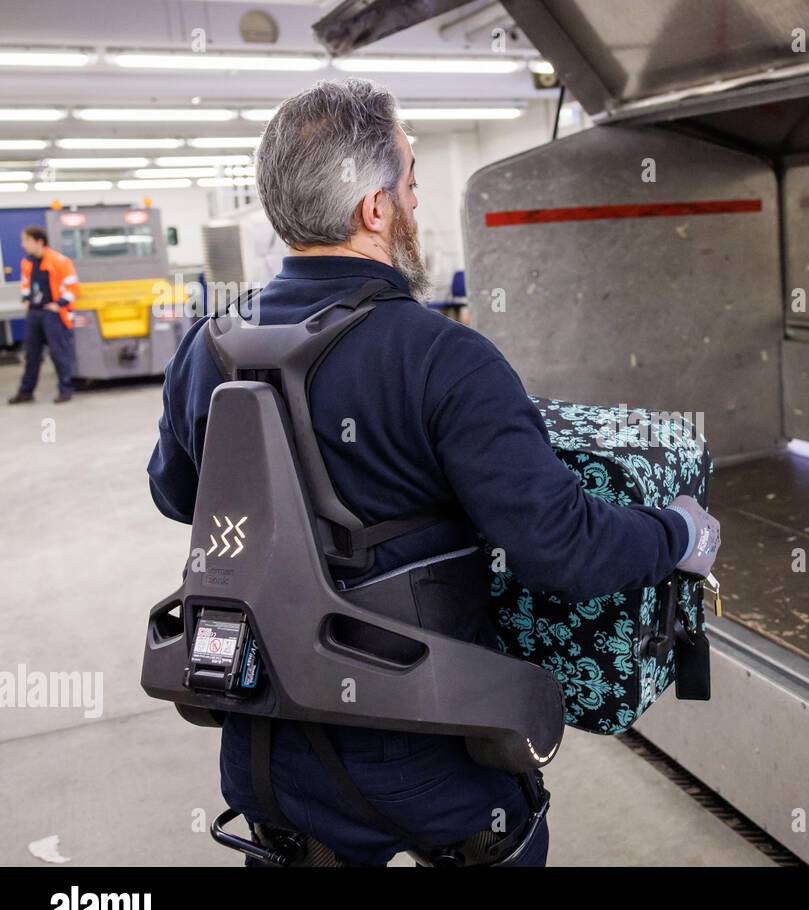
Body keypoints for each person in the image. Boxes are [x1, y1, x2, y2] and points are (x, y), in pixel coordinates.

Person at [146, 78, 720, 867]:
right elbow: (563, 548)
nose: (415, 200)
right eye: (411, 181)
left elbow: (177, 494)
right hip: (424, 728)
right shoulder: (443, 357)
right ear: (375, 210)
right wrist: (677, 531)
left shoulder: (207, 348)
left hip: (263, 735)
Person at [8, 225, 80, 404]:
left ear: (38, 241)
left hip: (52, 314)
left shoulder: (59, 261)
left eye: (26, 240)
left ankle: (65, 390)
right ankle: (26, 392)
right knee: (31, 355)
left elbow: (74, 287)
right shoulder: (28, 263)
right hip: (34, 313)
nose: (23, 245)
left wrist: (60, 304)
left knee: (58, 353)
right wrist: (25, 299)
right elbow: (25, 284)